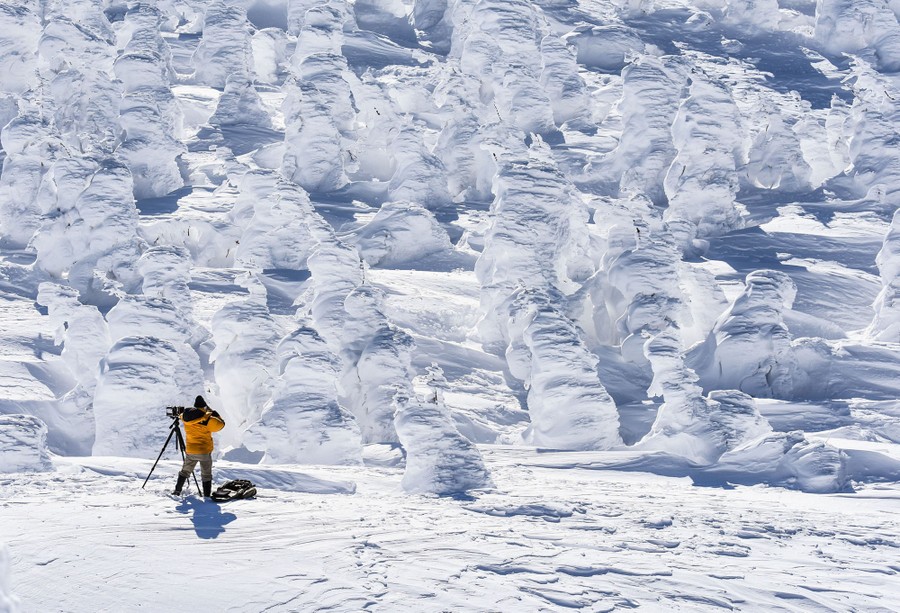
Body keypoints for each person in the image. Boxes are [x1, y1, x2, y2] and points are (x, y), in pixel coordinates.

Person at [172, 395, 225, 497]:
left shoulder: (185, 417)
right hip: (204, 451)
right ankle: (206, 495)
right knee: (206, 474)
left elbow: (180, 415)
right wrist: (213, 412)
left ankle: (177, 490)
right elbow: (221, 424)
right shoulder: (208, 419)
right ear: (204, 407)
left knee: (185, 471)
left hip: (191, 450)